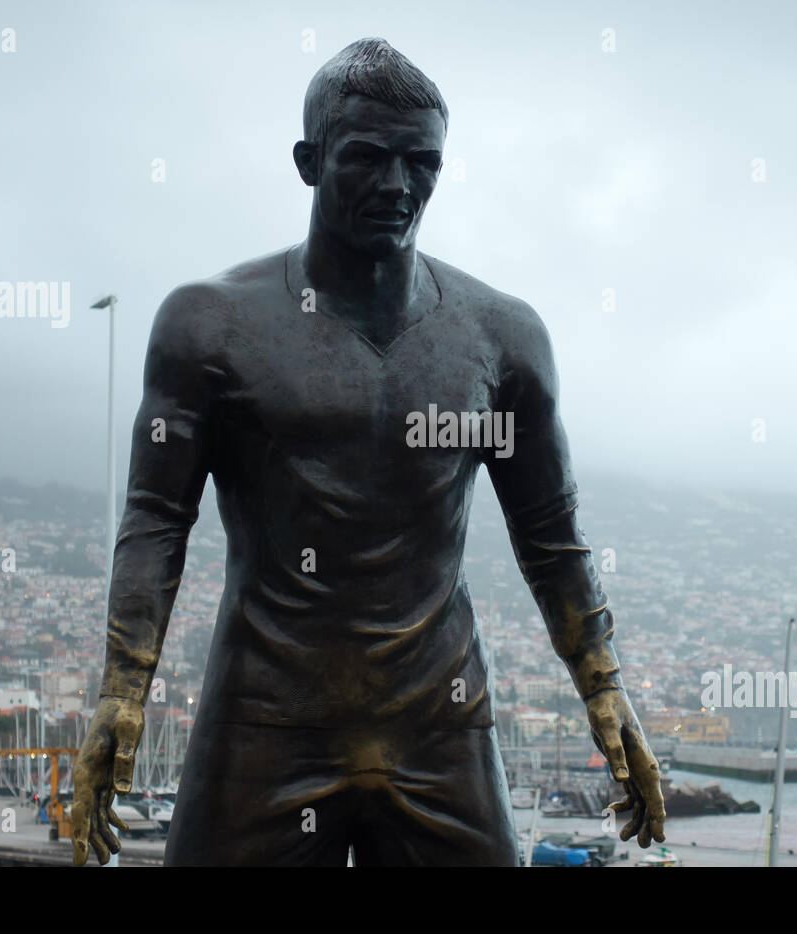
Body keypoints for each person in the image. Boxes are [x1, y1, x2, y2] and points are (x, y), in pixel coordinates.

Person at [71, 37, 665, 866]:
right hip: (264, 721)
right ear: (309, 161)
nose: (397, 186)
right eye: (367, 159)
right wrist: (121, 693)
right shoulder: (210, 325)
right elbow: (155, 520)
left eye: (421, 162)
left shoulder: (502, 338)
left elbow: (550, 533)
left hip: (440, 724)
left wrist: (605, 691)